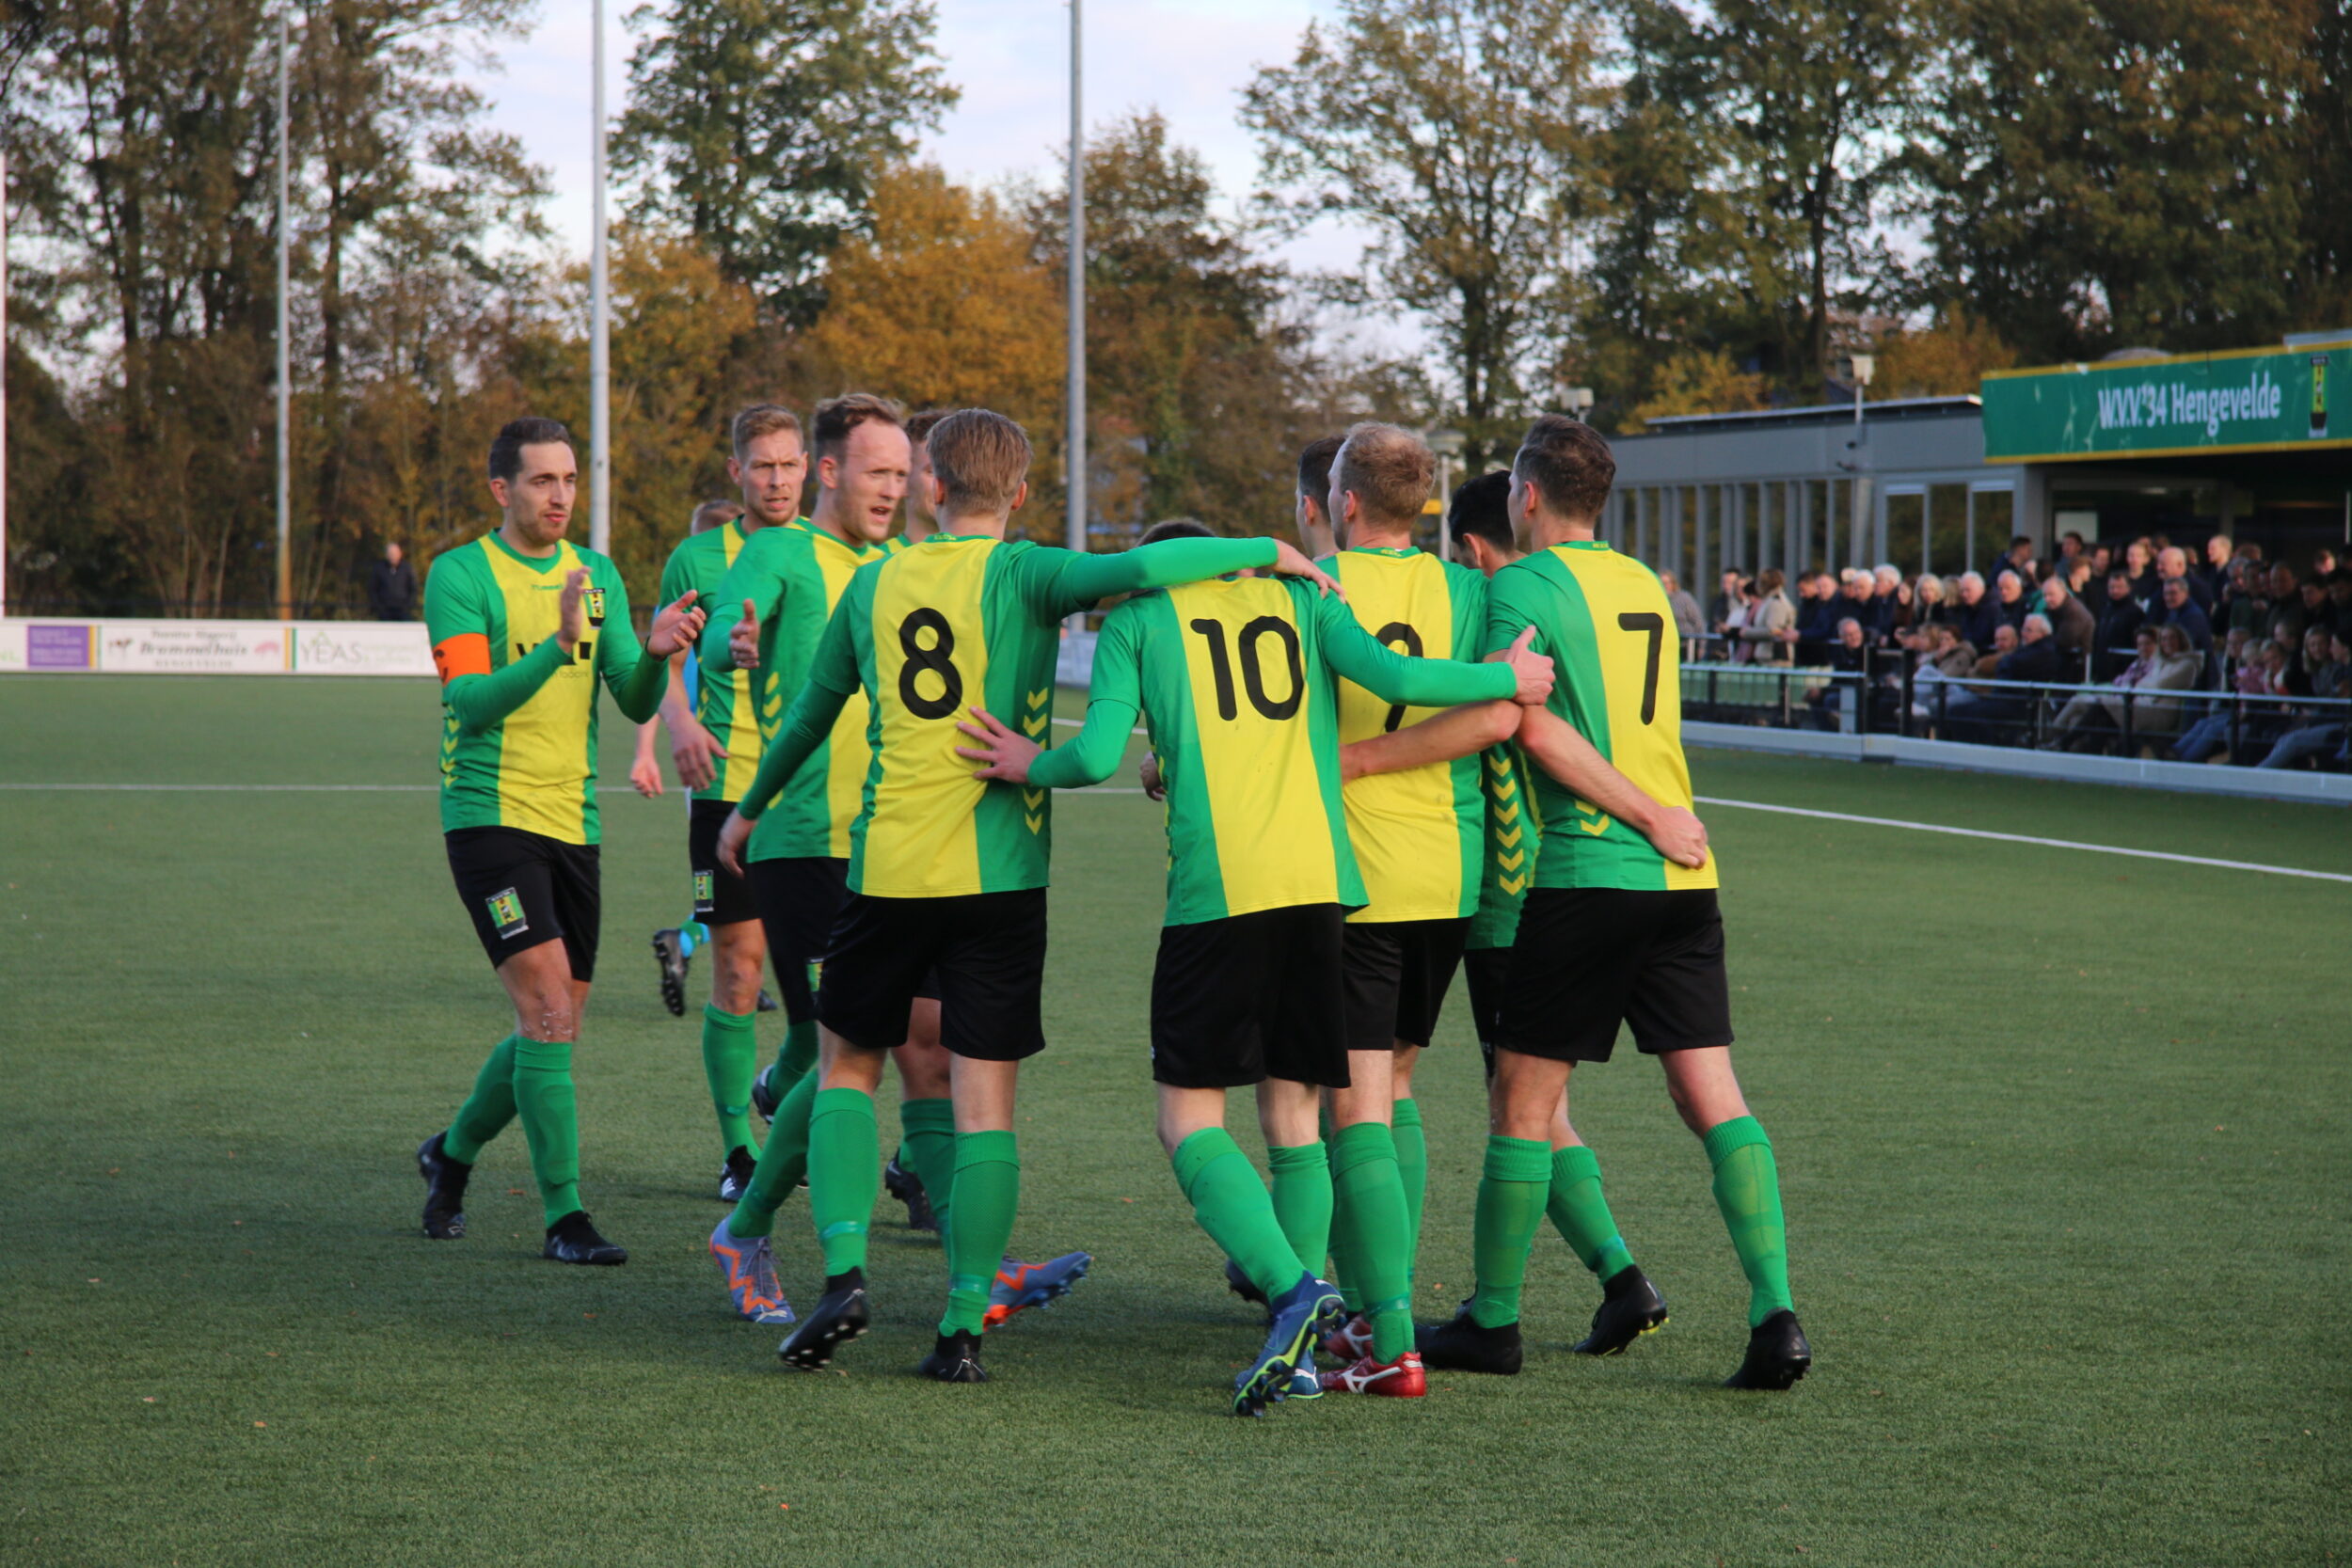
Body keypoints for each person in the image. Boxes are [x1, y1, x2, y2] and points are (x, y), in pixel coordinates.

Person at [715, 407, 1345, 1384]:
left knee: (846, 1067)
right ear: (1018, 496)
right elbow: (1141, 569)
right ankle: (961, 1325)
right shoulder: (1032, 570)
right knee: (985, 1109)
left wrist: (747, 808)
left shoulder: (877, 583)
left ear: (930, 484)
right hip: (1002, 881)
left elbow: (809, 713)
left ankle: (842, 1268)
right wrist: (1269, 547)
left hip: (888, 868)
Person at [959, 489, 1556, 1412]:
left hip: (1220, 894)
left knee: (1186, 1121)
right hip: (1323, 887)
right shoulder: (1303, 597)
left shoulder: (1139, 618)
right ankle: (1313, 1336)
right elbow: (1396, 682)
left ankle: (1294, 1286)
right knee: (1292, 1117)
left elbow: (1092, 757)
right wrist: (1504, 681)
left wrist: (1023, 760)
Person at [1415, 413, 1806, 1391]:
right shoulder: (1642, 584)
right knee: (1711, 1094)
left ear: (1528, 495)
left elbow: (1526, 722)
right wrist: (1664, 818)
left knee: (1521, 1098)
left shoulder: (1520, 584)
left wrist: (1637, 815)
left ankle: (1492, 1323)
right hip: (1683, 876)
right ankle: (1775, 1313)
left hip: (1593, 866)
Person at [413, 418, 708, 1265]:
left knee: (558, 1027)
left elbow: (630, 693)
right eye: (542, 481)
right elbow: (468, 703)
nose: (559, 496)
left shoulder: (599, 575)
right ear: (501, 489)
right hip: (488, 817)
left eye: (570, 479)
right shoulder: (460, 574)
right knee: (544, 1012)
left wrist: (655, 655)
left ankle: (451, 1153)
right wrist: (557, 643)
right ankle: (565, 1217)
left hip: (572, 821)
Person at [638, 420, 806, 1210]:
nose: (776, 480)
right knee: (739, 972)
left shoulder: (831, 552)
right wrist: (678, 722)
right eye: (761, 466)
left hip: (817, 797)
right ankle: (739, 1148)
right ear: (735, 470)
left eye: (788, 465)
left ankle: (789, 1098)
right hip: (725, 790)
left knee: (829, 990)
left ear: (812, 468)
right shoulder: (698, 557)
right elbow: (663, 656)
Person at [2091, 568, 2146, 679]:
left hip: (2122, 669)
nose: (2115, 591)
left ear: (2129, 588)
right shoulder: (2106, 609)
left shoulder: (2134, 613)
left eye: (2119, 587)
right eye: (2112, 587)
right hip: (2102, 667)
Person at [1737, 568, 1797, 662]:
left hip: (1775, 657)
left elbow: (1773, 631)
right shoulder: (1769, 600)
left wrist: (1748, 632)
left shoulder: (1776, 602)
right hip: (1767, 656)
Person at [2038, 574, 2095, 668]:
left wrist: (2041, 639)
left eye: (2051, 594)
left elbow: (2064, 641)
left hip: (2077, 664)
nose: (2047, 599)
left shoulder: (2074, 611)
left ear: (2063, 592)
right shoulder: (2054, 610)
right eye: (2045, 595)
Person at [368, 541, 419, 622]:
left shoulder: (407, 569)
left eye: (395, 553)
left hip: (403, 611)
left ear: (400, 554)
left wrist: (409, 606)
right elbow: (372, 589)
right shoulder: (379, 569)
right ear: (386, 555)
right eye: (390, 554)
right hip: (385, 612)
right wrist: (379, 607)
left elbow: (413, 588)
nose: (393, 556)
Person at [1952, 571, 1997, 652]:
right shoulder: (1966, 608)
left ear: (1981, 588)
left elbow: (1980, 639)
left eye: (1968, 590)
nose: (1964, 595)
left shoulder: (1993, 609)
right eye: (1962, 591)